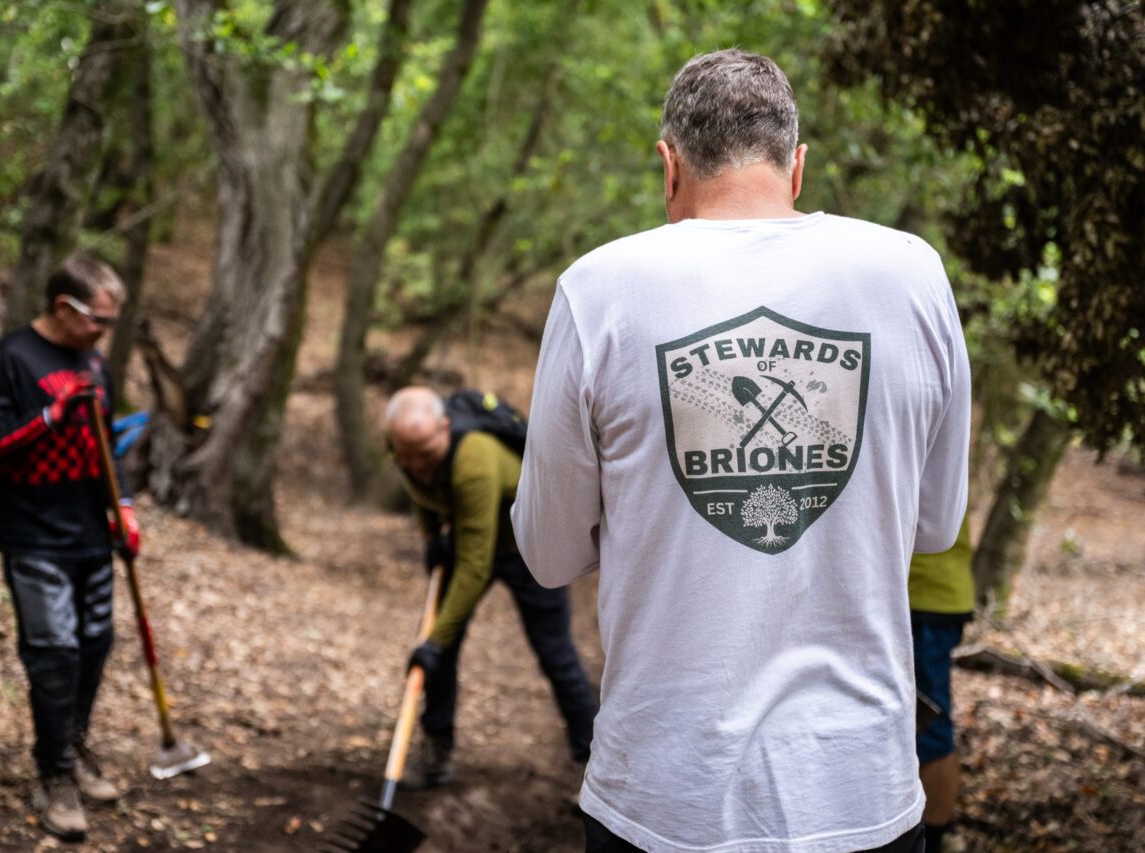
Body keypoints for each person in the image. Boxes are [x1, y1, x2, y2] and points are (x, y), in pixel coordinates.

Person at [512, 49, 970, 852]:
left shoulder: (599, 288)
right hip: (861, 788)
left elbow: (549, 555)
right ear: (797, 166)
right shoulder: (911, 275)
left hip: (663, 795)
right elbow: (934, 526)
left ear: (668, 165)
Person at [0, 253, 140, 842]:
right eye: (100, 320)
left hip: (91, 532)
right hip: (31, 533)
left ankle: (72, 744)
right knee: (54, 653)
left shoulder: (94, 362)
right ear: (65, 308)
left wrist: (127, 510)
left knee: (95, 645)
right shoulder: (10, 358)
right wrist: (49, 414)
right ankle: (54, 773)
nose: (105, 333)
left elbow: (109, 446)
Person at [385, 386, 598, 789]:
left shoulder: (474, 461)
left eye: (427, 455)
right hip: (472, 537)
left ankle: (595, 760)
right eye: (406, 457)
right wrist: (431, 537)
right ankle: (436, 751)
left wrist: (433, 640)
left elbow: (474, 564)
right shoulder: (405, 449)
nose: (416, 465)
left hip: (528, 545)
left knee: (555, 652)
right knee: (441, 652)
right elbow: (423, 492)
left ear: (445, 428)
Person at [909, 518, 974, 853]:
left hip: (925, 596)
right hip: (928, 593)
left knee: (928, 722)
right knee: (923, 720)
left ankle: (938, 835)